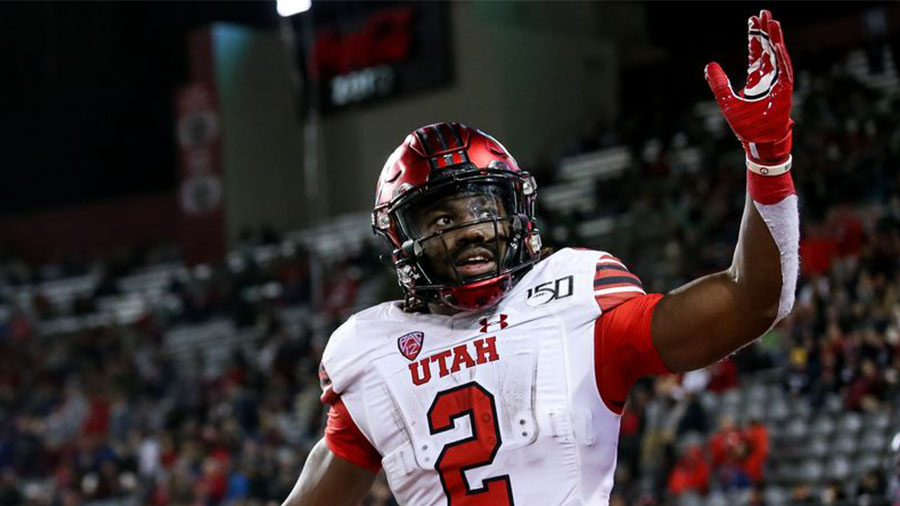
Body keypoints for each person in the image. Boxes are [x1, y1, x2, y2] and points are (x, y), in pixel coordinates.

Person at [284, 9, 799, 506]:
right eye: (442, 221)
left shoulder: (571, 297)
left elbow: (751, 302)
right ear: (402, 241)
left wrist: (769, 161)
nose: (471, 233)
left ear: (515, 213)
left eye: (484, 209)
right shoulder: (371, 352)